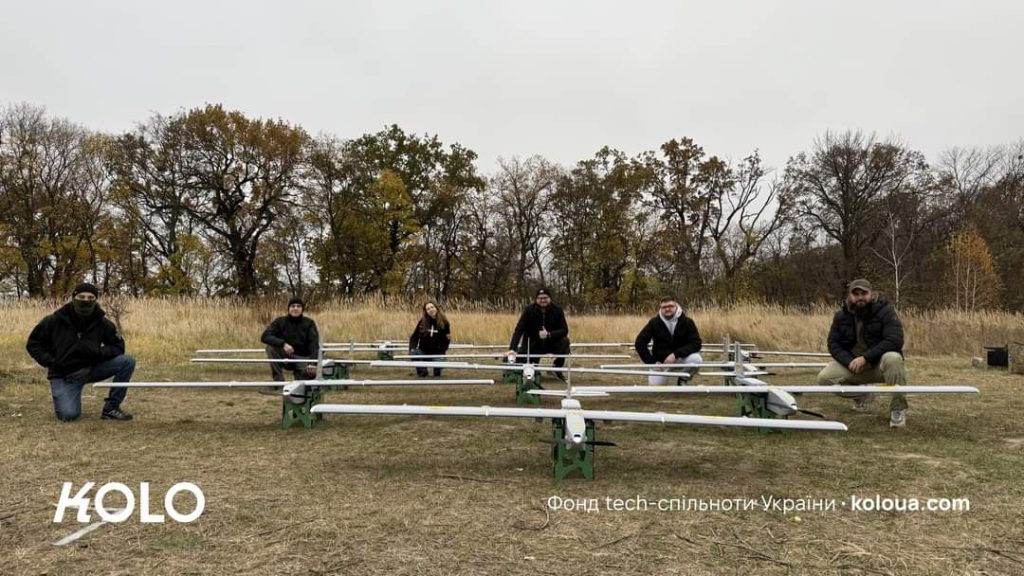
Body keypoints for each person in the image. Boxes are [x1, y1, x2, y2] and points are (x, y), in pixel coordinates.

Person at [26, 283, 136, 421]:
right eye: (81, 297)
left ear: (95, 300)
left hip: (91, 369)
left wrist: (99, 352)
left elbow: (118, 346)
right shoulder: (54, 320)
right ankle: (69, 398)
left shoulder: (103, 323)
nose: (85, 300)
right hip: (64, 375)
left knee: (127, 362)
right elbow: (33, 343)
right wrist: (51, 361)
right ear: (73, 298)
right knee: (68, 415)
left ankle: (111, 408)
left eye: (90, 297)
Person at [816, 278, 909, 428]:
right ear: (849, 296)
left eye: (864, 293)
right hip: (854, 365)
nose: (860, 297)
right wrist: (849, 361)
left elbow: (895, 340)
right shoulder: (840, 316)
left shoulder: (886, 311)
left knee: (894, 358)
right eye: (856, 293)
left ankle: (897, 409)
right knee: (824, 379)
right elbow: (833, 344)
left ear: (872, 295)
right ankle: (863, 395)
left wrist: (866, 358)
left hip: (879, 364)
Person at [634, 297, 704, 385]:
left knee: (696, 359)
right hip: (661, 364)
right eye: (664, 307)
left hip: (681, 359)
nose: (667, 309)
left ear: (676, 306)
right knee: (657, 388)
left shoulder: (687, 322)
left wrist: (676, 354)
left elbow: (696, 344)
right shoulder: (654, 323)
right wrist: (651, 362)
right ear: (661, 308)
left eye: (670, 306)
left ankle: (683, 379)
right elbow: (640, 343)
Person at [506, 288, 570, 381]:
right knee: (524, 367)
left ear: (550, 298)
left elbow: (564, 330)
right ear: (536, 299)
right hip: (533, 343)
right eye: (540, 298)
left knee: (565, 342)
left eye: (545, 297)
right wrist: (512, 348)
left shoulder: (558, 310)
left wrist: (549, 334)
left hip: (551, 343)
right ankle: (530, 367)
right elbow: (519, 330)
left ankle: (556, 368)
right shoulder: (529, 311)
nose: (543, 300)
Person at [261, 297, 320, 382]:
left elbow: (314, 345)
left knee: (305, 382)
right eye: (292, 306)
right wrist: (283, 344)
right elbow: (265, 336)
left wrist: (313, 363)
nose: (295, 308)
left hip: (303, 358)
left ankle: (300, 375)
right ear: (289, 308)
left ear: (302, 309)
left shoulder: (309, 323)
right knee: (270, 348)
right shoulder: (279, 321)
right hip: (286, 357)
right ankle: (278, 381)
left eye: (298, 306)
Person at [408, 301, 451, 377]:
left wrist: (442, 351)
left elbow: (447, 339)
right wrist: (412, 348)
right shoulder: (422, 322)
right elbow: (414, 337)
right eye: (428, 309)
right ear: (426, 312)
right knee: (414, 353)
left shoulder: (444, 322)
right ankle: (423, 371)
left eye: (432, 307)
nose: (431, 310)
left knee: (439, 362)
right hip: (424, 352)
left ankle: (437, 369)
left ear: (436, 308)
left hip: (437, 353)